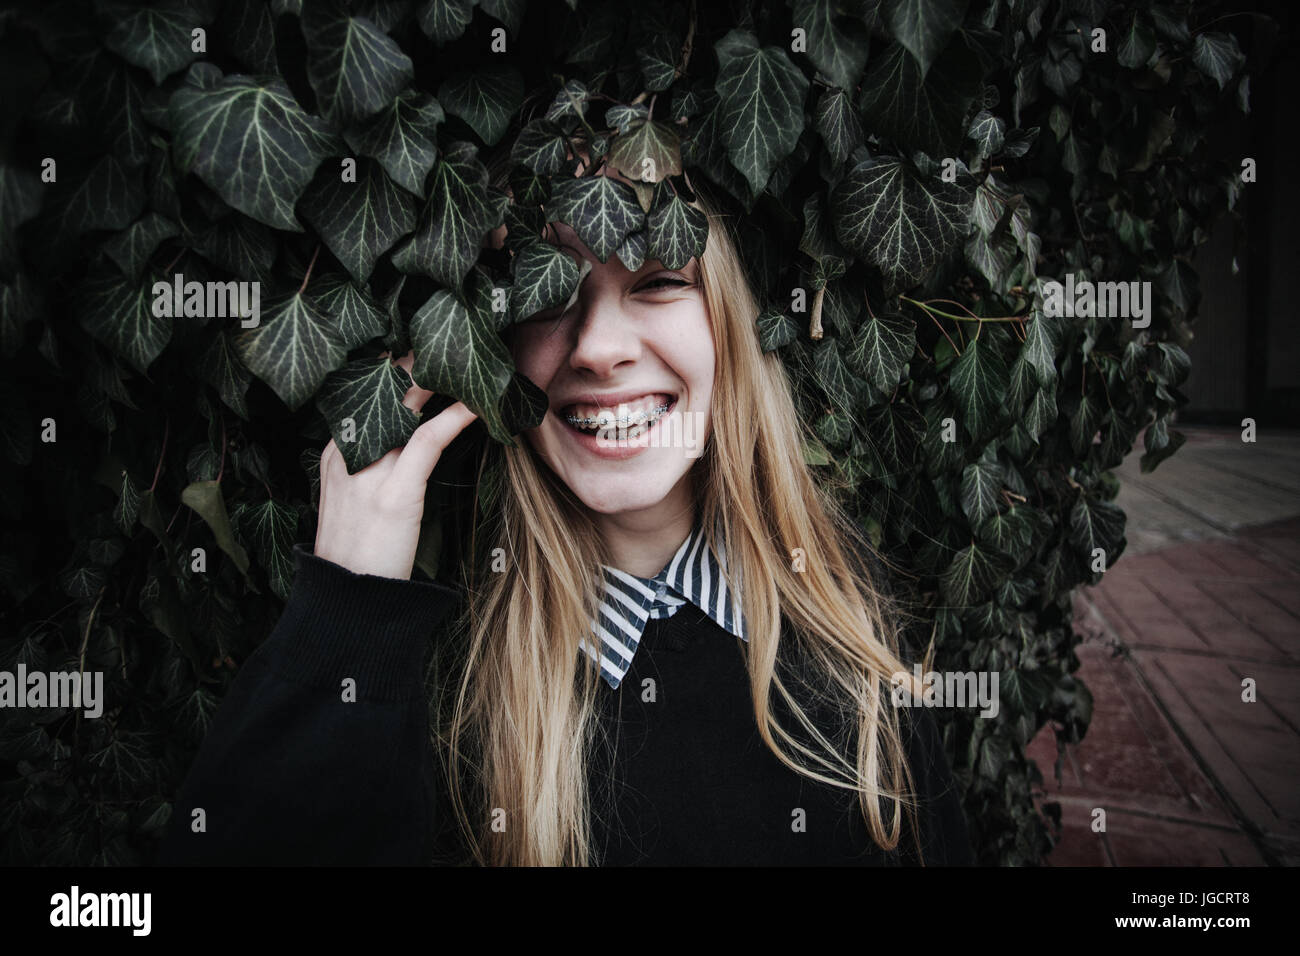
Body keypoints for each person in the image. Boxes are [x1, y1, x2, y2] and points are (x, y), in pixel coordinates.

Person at [158, 154, 975, 867]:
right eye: (547, 295)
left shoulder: (843, 611)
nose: (595, 347)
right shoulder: (449, 680)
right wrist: (348, 601)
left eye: (658, 280)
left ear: (730, 322)